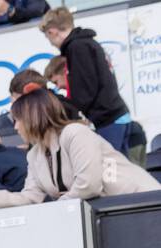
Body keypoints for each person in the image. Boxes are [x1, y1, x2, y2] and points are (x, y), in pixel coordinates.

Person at [0, 90, 159, 208]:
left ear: (33, 117)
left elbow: (89, 185)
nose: (15, 127)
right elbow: (32, 196)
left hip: (141, 202)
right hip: (113, 211)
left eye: (17, 120)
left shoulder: (75, 133)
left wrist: (56, 207)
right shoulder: (34, 154)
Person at [39, 7, 133, 157]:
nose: (50, 43)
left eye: (47, 37)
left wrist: (60, 105)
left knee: (112, 173)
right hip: (115, 116)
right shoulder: (86, 44)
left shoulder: (77, 47)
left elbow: (85, 91)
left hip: (109, 120)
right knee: (121, 172)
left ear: (52, 31)